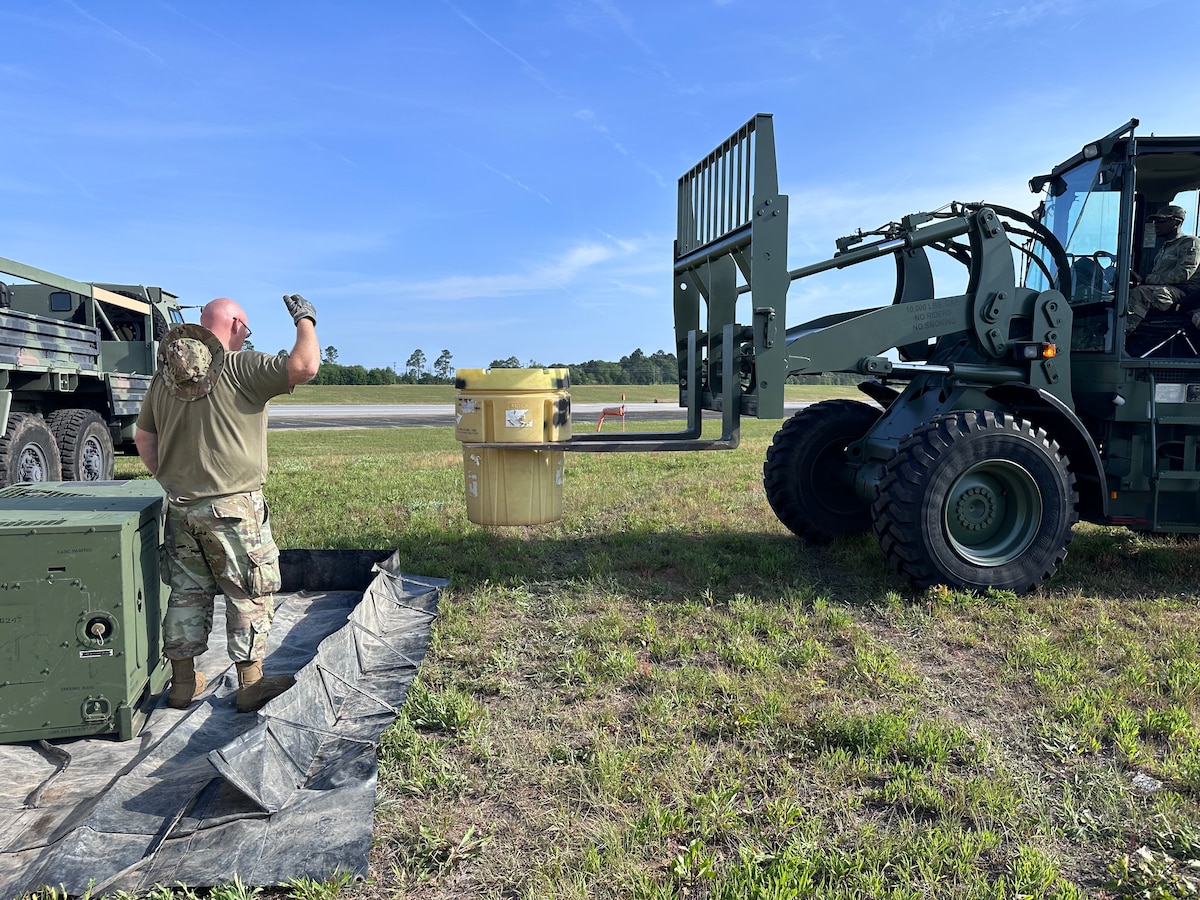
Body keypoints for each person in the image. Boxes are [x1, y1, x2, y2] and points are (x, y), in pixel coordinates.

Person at [135, 294, 321, 712]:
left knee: (185, 594)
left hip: (181, 509)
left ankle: (182, 686)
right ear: (235, 325)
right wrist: (305, 319)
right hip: (234, 511)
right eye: (246, 330)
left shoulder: (165, 378)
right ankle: (250, 685)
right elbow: (305, 366)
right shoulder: (241, 367)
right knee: (248, 592)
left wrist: (167, 477)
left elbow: (144, 436)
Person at [1126, 205, 1200, 334]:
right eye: (1155, 221)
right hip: (1167, 290)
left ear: (1177, 222)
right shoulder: (1164, 249)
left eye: (1161, 221)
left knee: (1142, 293)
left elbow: (1184, 273)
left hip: (1184, 294)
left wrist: (1145, 279)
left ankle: (1123, 338)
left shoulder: (1189, 243)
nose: (1156, 225)